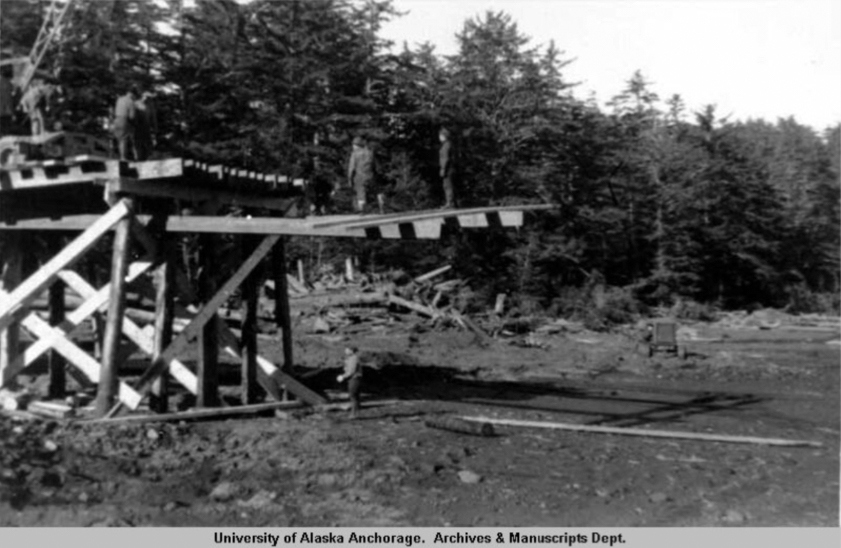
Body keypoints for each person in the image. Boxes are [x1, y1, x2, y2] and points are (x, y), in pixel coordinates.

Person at [346, 135, 374, 213]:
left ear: (356, 145)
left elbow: (351, 167)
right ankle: (379, 206)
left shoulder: (355, 154)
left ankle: (362, 209)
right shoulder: (369, 152)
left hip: (359, 176)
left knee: (360, 192)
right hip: (369, 175)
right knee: (369, 192)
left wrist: (349, 178)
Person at [336, 346, 362, 418]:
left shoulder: (354, 358)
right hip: (354, 379)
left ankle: (354, 414)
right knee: (355, 396)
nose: (345, 351)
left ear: (351, 351)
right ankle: (355, 413)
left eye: (347, 350)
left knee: (353, 396)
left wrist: (343, 376)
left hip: (354, 379)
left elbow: (351, 371)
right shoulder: (351, 358)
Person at [113, 87, 137, 160]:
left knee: (119, 140)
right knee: (124, 140)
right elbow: (132, 117)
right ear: (133, 94)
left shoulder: (119, 99)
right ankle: (123, 158)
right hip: (124, 120)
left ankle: (120, 156)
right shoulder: (130, 101)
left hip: (116, 120)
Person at [133, 90, 158, 161]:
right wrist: (155, 129)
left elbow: (153, 118)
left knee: (142, 145)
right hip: (143, 129)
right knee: (144, 145)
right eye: (149, 98)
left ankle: (142, 158)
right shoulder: (148, 105)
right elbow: (153, 119)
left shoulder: (137, 103)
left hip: (141, 129)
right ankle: (143, 158)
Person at [439, 127, 456, 208]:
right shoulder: (449, 144)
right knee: (448, 185)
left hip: (447, 169)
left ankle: (450, 203)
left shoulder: (446, 146)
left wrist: (443, 169)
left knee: (447, 185)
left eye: (440, 135)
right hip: (449, 168)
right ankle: (450, 202)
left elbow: (445, 158)